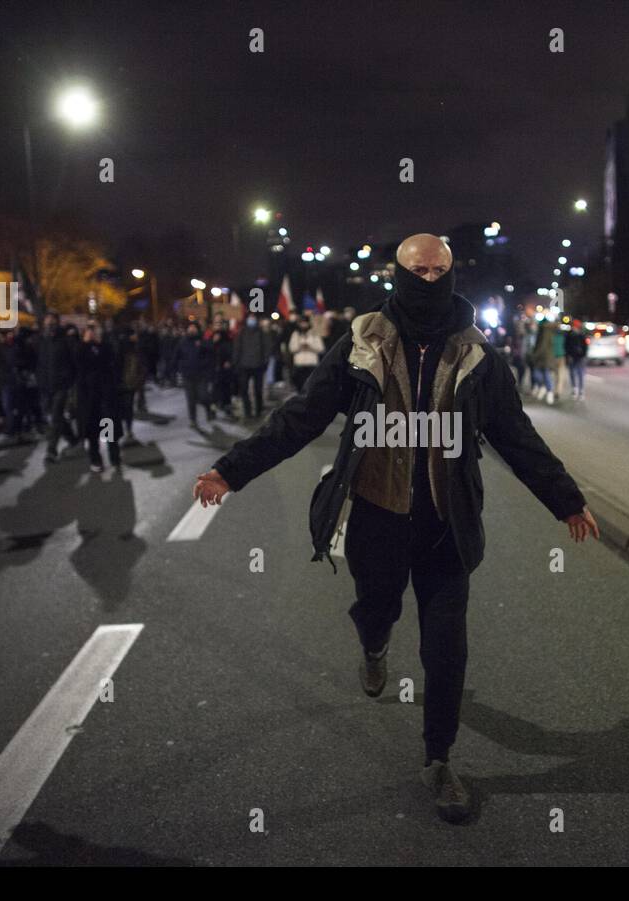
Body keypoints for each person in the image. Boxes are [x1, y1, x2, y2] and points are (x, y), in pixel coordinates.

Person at [193, 234, 599, 823]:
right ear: (398, 276)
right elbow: (301, 417)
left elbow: (515, 433)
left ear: (454, 274)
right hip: (378, 519)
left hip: (446, 525)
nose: (430, 281)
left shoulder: (477, 353)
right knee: (376, 606)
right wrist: (231, 471)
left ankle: (439, 760)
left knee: (447, 651)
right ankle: (375, 642)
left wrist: (565, 499)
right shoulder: (362, 343)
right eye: (418, 272)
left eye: (440, 271)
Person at [75, 320, 123, 472]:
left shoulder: (106, 347)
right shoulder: (81, 348)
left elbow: (113, 363)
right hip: (88, 396)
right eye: (90, 329)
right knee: (92, 431)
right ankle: (95, 459)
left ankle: (114, 457)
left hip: (105, 394)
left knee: (108, 426)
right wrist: (85, 344)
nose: (93, 332)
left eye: (95, 329)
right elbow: (78, 365)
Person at [38, 314, 78, 463]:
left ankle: (51, 450)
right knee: (58, 417)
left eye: (52, 323)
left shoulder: (66, 341)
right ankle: (72, 439)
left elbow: (74, 363)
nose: (50, 326)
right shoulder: (43, 342)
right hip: (47, 386)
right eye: (47, 324)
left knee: (55, 417)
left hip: (62, 386)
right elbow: (40, 364)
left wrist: (69, 381)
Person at [176, 321, 216, 428]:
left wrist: (202, 345)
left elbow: (211, 353)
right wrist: (179, 369)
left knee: (203, 396)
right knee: (191, 399)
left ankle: (208, 409)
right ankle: (193, 419)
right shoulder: (183, 342)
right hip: (188, 376)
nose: (192, 329)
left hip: (201, 375)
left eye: (194, 327)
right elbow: (177, 357)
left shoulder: (203, 340)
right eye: (190, 327)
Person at [232, 313, 270, 419]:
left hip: (258, 366)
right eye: (250, 318)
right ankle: (247, 410)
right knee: (244, 389)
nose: (251, 320)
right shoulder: (241, 332)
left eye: (253, 318)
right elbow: (237, 349)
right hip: (244, 366)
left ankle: (259, 410)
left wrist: (265, 363)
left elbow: (266, 349)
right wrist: (236, 363)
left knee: (258, 390)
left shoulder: (262, 333)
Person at [116, 326, 143, 444]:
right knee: (123, 409)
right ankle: (122, 432)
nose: (136, 336)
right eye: (133, 334)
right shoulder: (124, 350)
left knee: (128, 408)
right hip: (123, 384)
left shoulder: (134, 349)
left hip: (129, 384)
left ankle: (128, 431)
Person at [287, 313, 325, 392]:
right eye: (301, 322)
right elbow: (291, 348)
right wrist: (300, 347)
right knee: (299, 386)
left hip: (311, 364)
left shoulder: (314, 334)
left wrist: (310, 347)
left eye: (305, 322)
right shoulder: (296, 334)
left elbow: (321, 349)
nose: (303, 324)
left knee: (310, 386)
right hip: (299, 364)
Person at [529, 316, 555, 402]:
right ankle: (545, 389)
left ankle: (549, 392)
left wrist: (535, 355)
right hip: (543, 356)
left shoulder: (544, 331)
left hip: (544, 357)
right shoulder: (544, 330)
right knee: (541, 374)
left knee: (542, 374)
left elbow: (542, 346)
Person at [565, 320, 589, 401]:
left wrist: (583, 355)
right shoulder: (569, 334)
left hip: (579, 357)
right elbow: (566, 346)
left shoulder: (581, 335)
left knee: (580, 374)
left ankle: (580, 391)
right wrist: (568, 355)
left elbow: (585, 346)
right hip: (573, 357)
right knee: (573, 373)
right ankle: (575, 389)